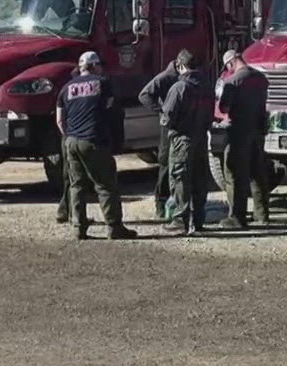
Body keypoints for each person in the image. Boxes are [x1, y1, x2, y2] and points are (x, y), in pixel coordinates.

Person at [58, 51, 135, 239]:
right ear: (94, 66)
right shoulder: (103, 83)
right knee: (105, 184)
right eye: (99, 65)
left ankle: (78, 228)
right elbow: (112, 111)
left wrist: (70, 135)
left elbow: (60, 120)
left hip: (71, 141)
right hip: (94, 140)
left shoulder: (66, 88)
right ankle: (114, 227)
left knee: (77, 185)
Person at [159, 51, 216, 235]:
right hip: (201, 137)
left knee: (180, 179)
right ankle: (198, 220)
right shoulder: (207, 86)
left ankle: (179, 220)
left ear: (180, 65)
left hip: (182, 140)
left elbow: (167, 118)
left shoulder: (179, 87)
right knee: (199, 179)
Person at [215, 48, 271, 228]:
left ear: (231, 63)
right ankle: (262, 215)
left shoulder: (233, 81)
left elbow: (223, 108)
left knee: (235, 174)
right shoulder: (261, 78)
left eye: (227, 66)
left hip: (239, 133)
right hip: (258, 130)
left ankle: (237, 217)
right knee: (257, 173)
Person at [138, 52, 188, 219]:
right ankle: (161, 202)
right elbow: (144, 95)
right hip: (168, 126)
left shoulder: (183, 77)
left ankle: (178, 202)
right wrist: (161, 110)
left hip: (181, 124)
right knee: (166, 163)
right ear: (179, 65)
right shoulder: (165, 77)